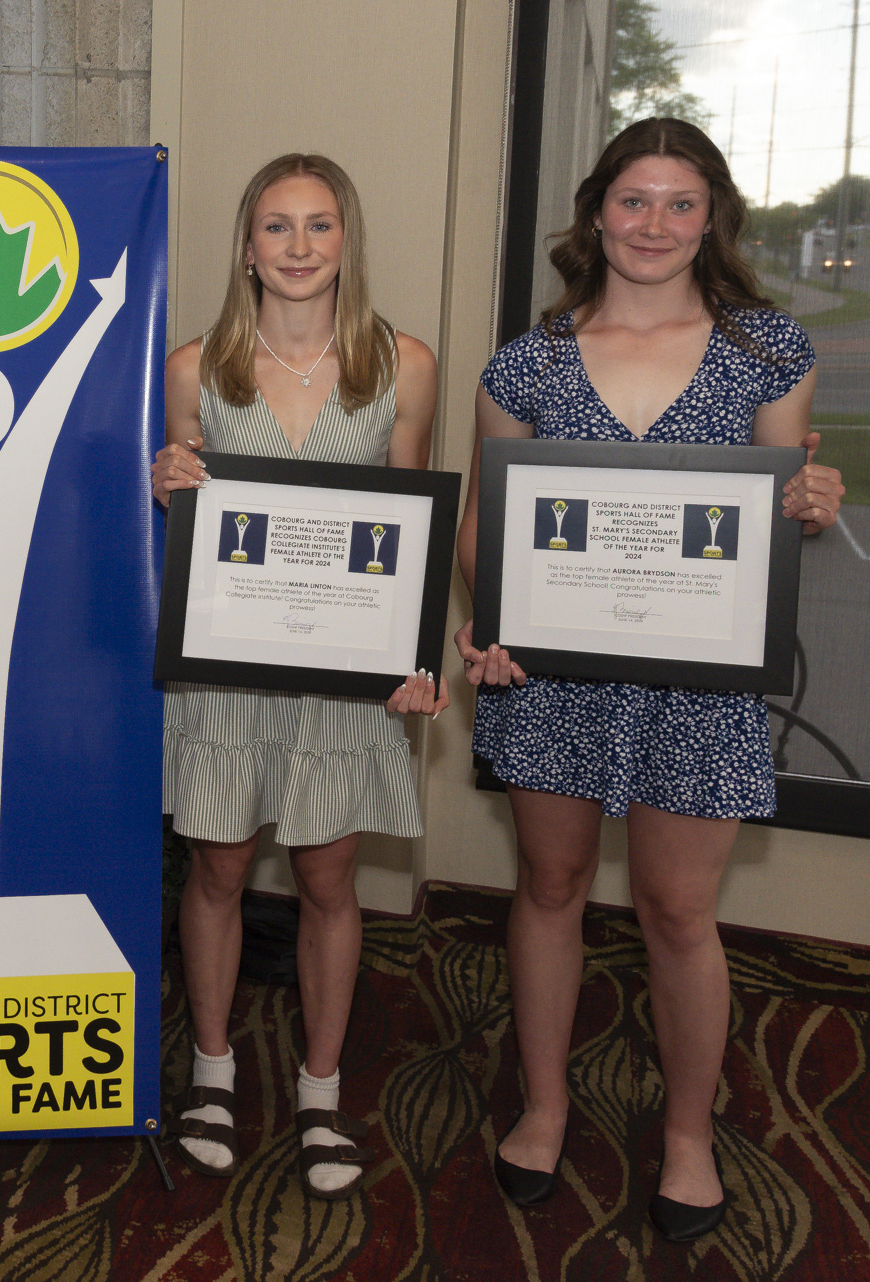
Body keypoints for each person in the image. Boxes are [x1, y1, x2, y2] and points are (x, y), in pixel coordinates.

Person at [453, 118, 842, 1243]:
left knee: (678, 910)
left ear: (711, 215)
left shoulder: (770, 352)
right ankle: (543, 1104)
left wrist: (813, 507)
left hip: (700, 679)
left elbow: (789, 502)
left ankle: (685, 1132)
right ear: (595, 214)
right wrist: (495, 618)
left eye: (681, 203)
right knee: (549, 887)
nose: (656, 225)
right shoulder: (525, 361)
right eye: (635, 200)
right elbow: (488, 519)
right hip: (554, 674)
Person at [152, 154, 446, 1195]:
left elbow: (414, 518)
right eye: (276, 227)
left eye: (320, 226)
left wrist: (419, 654)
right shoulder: (195, 367)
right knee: (220, 871)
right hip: (228, 669)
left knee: (327, 880)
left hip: (341, 672)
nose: (299, 247)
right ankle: (215, 1070)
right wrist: (162, 479)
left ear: (346, 242)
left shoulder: (401, 362)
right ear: (246, 246)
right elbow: (177, 517)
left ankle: (321, 1091)